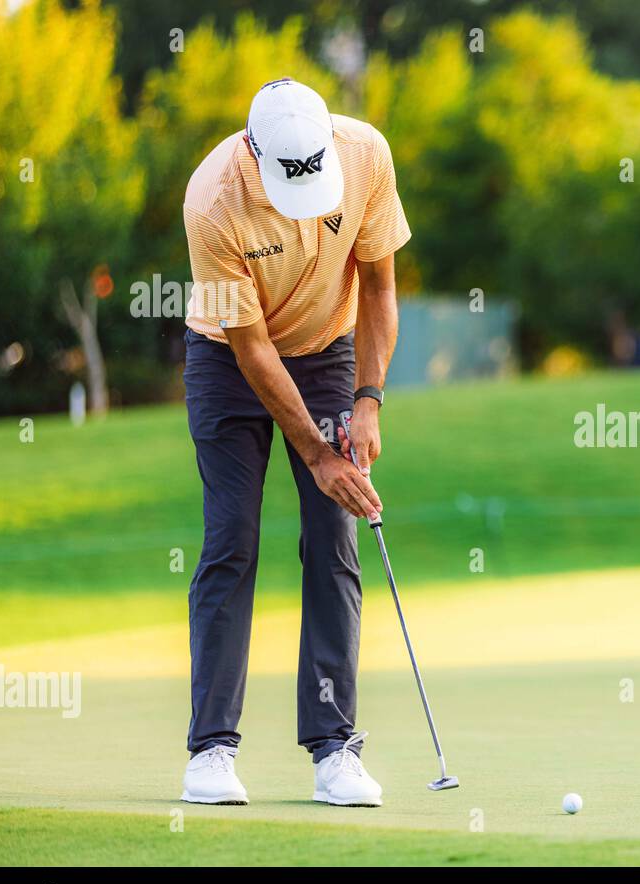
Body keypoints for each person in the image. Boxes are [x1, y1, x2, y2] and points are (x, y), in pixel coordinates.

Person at [179, 78, 410, 805]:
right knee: (232, 539)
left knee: (334, 539)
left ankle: (334, 746)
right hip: (227, 360)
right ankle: (211, 750)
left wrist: (368, 403)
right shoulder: (211, 199)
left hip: (329, 352)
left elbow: (377, 288)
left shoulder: (366, 154)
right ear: (254, 155)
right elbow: (251, 349)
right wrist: (316, 451)